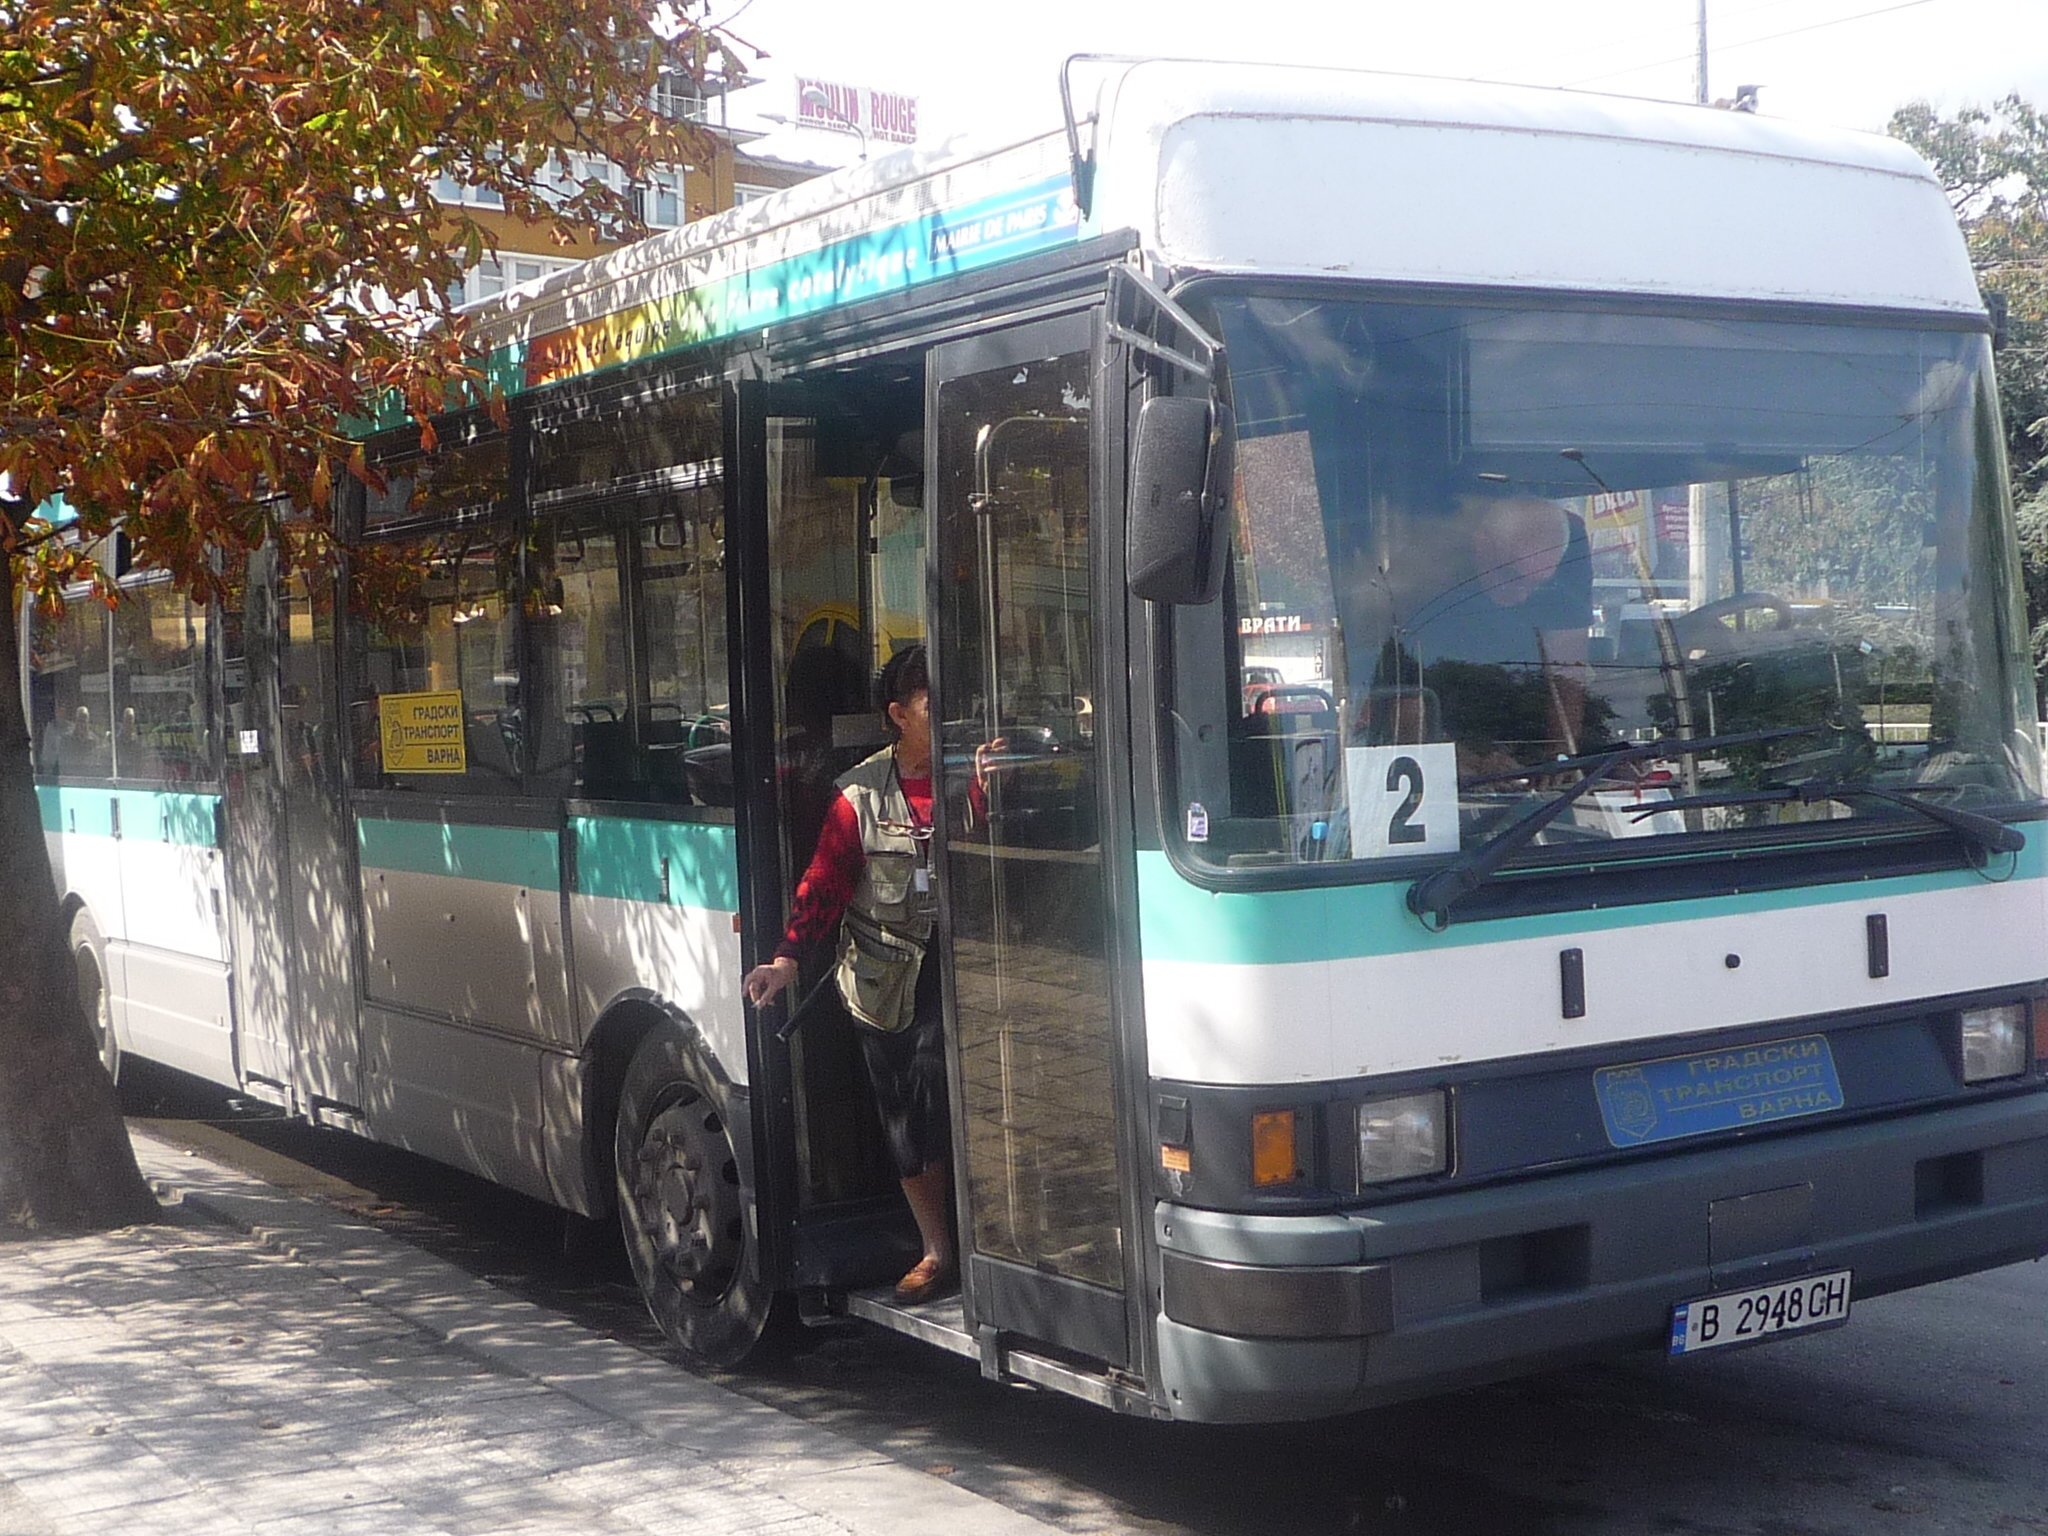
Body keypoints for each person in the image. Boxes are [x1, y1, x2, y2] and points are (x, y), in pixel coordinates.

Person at [742, 644, 956, 1304]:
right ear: (897, 714)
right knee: (907, 1107)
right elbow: (824, 882)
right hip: (885, 976)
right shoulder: (858, 794)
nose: (945, 713)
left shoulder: (973, 774)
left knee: (945, 1086)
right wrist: (785, 960)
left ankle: (980, 1238)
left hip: (966, 969)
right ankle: (937, 1248)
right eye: (929, 703)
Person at [1357, 493, 1594, 773]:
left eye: (1537, 586)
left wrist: (1559, 757)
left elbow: (1568, 671)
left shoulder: (1562, 563)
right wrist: (1466, 763)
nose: (1523, 596)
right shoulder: (1423, 582)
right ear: (1482, 545)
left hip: (1522, 748)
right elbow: (1403, 702)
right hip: (1442, 749)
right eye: (1513, 578)